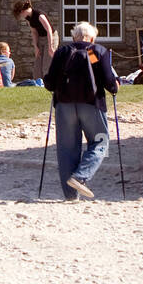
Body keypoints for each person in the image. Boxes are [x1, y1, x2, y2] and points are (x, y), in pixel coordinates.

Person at [43, 21, 118, 201]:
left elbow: (49, 83)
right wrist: (114, 87)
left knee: (67, 148)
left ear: (73, 37)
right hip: (91, 103)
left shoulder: (62, 52)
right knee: (100, 142)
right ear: (91, 38)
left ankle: (70, 195)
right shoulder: (93, 52)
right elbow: (108, 80)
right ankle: (80, 176)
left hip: (64, 105)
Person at [12, 0, 58, 81]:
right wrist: (36, 47)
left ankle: (48, 83)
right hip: (40, 38)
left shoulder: (40, 15)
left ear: (22, 11)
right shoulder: (28, 18)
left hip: (51, 37)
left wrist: (50, 46)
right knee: (38, 62)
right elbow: (34, 32)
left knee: (46, 63)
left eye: (20, 14)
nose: (21, 16)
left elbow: (49, 30)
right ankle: (38, 82)